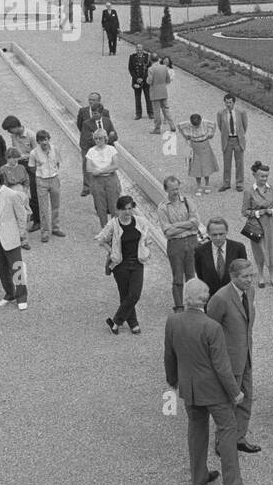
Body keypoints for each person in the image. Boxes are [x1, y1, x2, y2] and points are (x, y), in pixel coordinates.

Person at [164, 279, 258, 485]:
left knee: (196, 430)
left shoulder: (172, 322)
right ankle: (232, 484)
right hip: (214, 391)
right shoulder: (212, 327)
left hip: (190, 388)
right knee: (227, 430)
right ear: (205, 299)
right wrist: (235, 392)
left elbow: (169, 355)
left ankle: (198, 477)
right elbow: (222, 366)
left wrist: (173, 380)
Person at [205, 258, 261, 453]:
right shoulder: (220, 298)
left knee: (246, 398)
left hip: (246, 356)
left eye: (251, 275)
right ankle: (222, 443)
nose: (249, 280)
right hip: (228, 361)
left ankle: (239, 437)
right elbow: (209, 331)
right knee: (229, 404)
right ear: (233, 277)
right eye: (245, 277)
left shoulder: (250, 292)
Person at [96, 195, 152, 335]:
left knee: (135, 294)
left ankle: (116, 322)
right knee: (125, 294)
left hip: (137, 262)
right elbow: (101, 239)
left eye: (130, 208)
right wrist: (112, 251)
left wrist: (145, 246)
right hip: (121, 264)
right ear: (118, 210)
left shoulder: (140, 222)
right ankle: (133, 323)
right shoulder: (113, 224)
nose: (128, 212)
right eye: (125, 209)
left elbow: (147, 239)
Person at [0, 169, 29, 310]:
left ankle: (22, 296)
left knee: (16, 266)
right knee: (1, 267)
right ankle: (9, 293)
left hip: (10, 234)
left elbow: (22, 215)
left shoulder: (12, 195)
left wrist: (21, 234)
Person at [159, 176, 200, 312]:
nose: (175, 192)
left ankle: (192, 304)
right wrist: (187, 225)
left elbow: (196, 222)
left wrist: (176, 225)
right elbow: (168, 231)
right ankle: (179, 306)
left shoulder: (188, 202)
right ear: (166, 190)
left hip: (192, 242)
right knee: (177, 276)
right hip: (175, 244)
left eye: (177, 188)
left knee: (191, 275)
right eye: (172, 190)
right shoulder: (163, 208)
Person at [240, 162, 273, 288]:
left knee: (271, 248)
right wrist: (257, 212)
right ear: (255, 176)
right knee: (259, 250)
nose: (264, 179)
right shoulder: (249, 191)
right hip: (256, 225)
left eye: (266, 176)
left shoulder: (272, 188)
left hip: (270, 223)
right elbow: (244, 211)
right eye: (262, 176)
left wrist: (272, 211)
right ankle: (261, 276)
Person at [2, 115, 41, 227]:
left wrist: (25, 156)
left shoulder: (31, 135)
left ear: (15, 126)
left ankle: (38, 221)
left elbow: (37, 153)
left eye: (10, 129)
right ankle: (32, 212)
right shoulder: (14, 136)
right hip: (21, 165)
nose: (10, 132)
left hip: (32, 165)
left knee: (34, 192)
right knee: (22, 191)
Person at [76, 93, 116, 196]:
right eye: (89, 99)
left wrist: (104, 140)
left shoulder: (105, 113)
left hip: (102, 144)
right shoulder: (83, 111)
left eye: (93, 100)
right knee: (86, 164)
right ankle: (87, 186)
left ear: (99, 100)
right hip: (87, 144)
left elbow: (110, 129)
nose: (91, 102)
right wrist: (92, 136)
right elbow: (80, 126)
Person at [194, 217, 247, 296]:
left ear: (226, 232)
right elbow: (200, 275)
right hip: (211, 298)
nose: (218, 238)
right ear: (208, 233)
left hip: (234, 297)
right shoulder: (200, 251)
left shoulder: (238, 248)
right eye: (214, 235)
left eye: (221, 234)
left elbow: (244, 273)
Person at [29, 130, 64, 242]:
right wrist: (40, 174)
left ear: (49, 139)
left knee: (56, 205)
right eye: (41, 140)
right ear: (38, 141)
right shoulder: (34, 153)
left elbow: (57, 163)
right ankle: (45, 232)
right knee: (43, 207)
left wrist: (53, 173)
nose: (44, 142)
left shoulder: (55, 149)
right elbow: (32, 167)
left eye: (46, 139)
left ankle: (56, 227)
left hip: (54, 178)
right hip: (42, 181)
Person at [84, 129, 122, 228]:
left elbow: (116, 165)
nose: (98, 141)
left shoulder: (111, 149)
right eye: (96, 139)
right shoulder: (91, 151)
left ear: (105, 139)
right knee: (101, 207)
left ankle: (115, 229)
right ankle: (105, 229)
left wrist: (100, 170)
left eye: (100, 138)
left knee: (114, 206)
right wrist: (102, 170)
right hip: (97, 181)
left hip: (110, 179)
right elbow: (88, 167)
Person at [179, 112, 218, 195]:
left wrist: (212, 134)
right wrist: (185, 136)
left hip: (205, 145)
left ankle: (207, 184)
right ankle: (198, 186)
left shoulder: (205, 122)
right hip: (195, 146)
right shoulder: (188, 124)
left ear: (200, 121)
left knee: (207, 165)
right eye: (194, 125)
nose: (196, 127)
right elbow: (179, 126)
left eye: (197, 125)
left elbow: (214, 124)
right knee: (196, 167)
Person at [217, 94, 247, 192]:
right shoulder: (221, 113)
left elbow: (244, 126)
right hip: (227, 140)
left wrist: (240, 136)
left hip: (238, 140)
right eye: (226, 102)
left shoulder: (241, 112)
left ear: (234, 102)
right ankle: (226, 183)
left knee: (239, 163)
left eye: (230, 102)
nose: (228, 104)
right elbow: (220, 127)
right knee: (227, 163)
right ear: (224, 102)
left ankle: (239, 183)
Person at [147, 57, 175, 134]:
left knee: (156, 112)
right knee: (166, 109)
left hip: (155, 93)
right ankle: (172, 125)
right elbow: (168, 80)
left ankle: (157, 128)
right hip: (163, 91)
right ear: (158, 59)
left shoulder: (151, 69)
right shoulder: (164, 67)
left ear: (151, 60)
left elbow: (149, 81)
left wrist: (147, 80)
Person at [128, 45, 153, 120]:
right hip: (136, 80)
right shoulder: (132, 57)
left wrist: (142, 78)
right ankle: (138, 113)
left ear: (143, 50)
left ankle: (150, 113)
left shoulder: (147, 57)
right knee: (137, 97)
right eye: (138, 50)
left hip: (145, 80)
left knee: (148, 97)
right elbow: (130, 68)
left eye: (140, 50)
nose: (139, 51)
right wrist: (136, 78)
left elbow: (149, 68)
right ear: (136, 50)